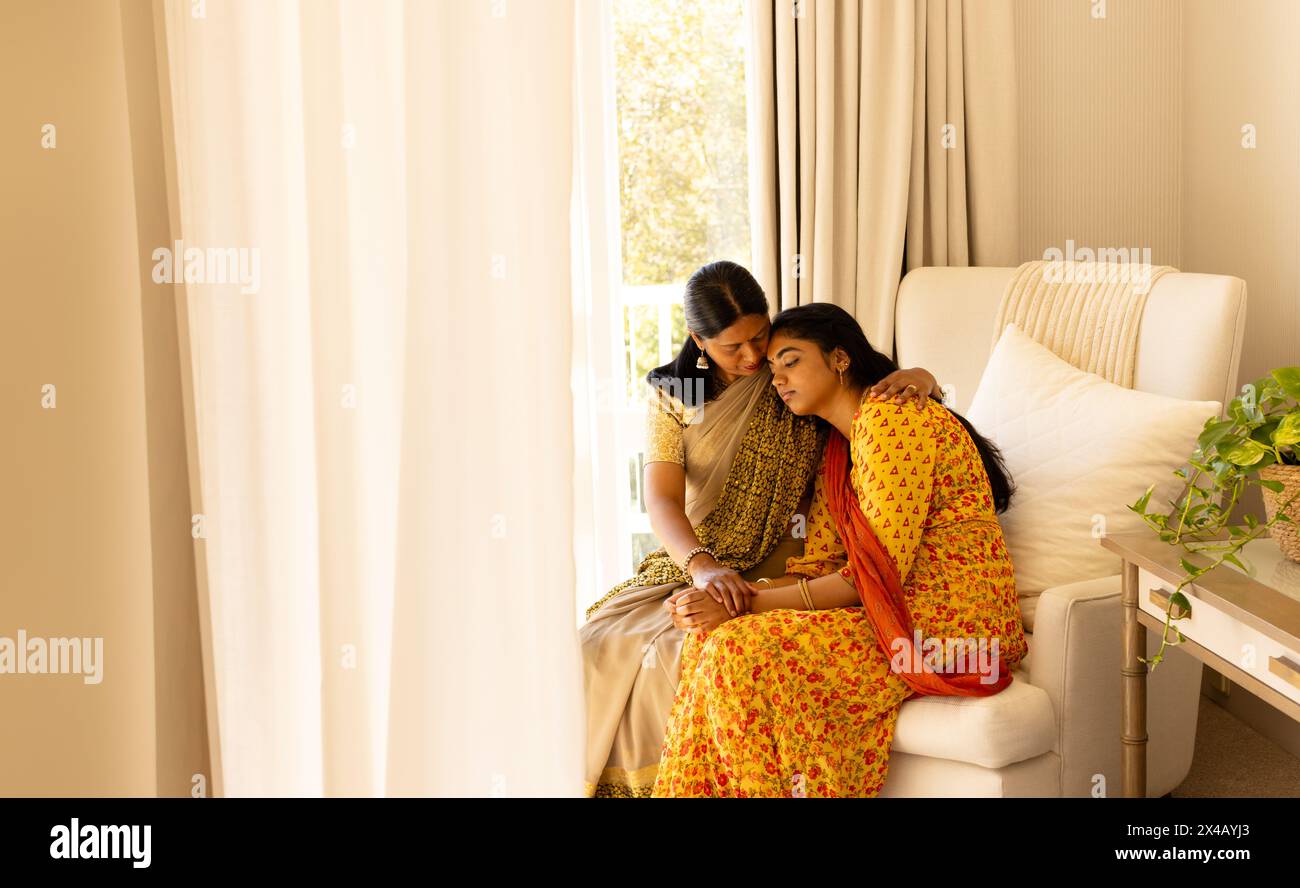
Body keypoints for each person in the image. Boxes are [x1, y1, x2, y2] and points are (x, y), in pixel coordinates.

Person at [580, 262, 939, 797]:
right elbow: (660, 499)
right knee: (597, 644)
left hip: (788, 562)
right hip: (698, 560)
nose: (752, 357)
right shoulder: (673, 393)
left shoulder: (790, 374)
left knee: (675, 655)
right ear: (699, 341)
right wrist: (702, 568)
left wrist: (926, 378)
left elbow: (863, 383)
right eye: (732, 347)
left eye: (758, 336)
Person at [652, 301, 1027, 797]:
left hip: (947, 621)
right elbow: (824, 567)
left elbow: (872, 574)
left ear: (840, 359)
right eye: (773, 368)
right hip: (887, 610)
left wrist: (743, 602)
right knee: (713, 641)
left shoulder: (894, 422)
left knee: (738, 649)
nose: (778, 379)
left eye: (791, 360)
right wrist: (731, 598)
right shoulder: (839, 448)